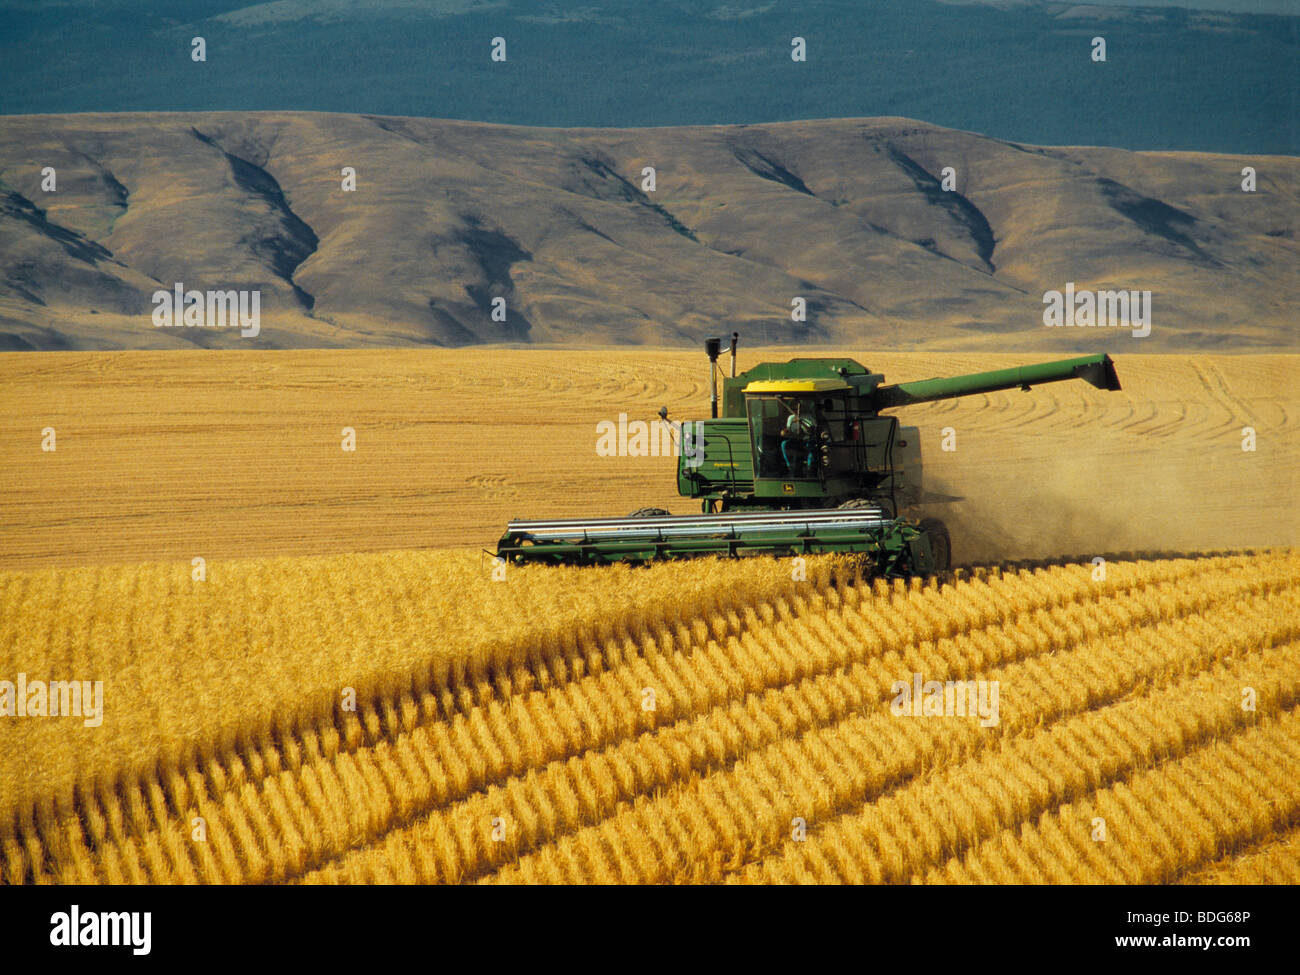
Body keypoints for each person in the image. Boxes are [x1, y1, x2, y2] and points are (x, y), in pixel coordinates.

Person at [780, 406, 816, 475]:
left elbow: (811, 431)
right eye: (794, 408)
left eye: (798, 408)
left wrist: (801, 422)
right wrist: (784, 431)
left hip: (807, 439)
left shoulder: (808, 417)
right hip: (795, 440)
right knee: (784, 444)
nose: (796, 410)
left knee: (811, 447)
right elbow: (788, 431)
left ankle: (809, 467)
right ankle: (789, 465)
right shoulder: (791, 418)